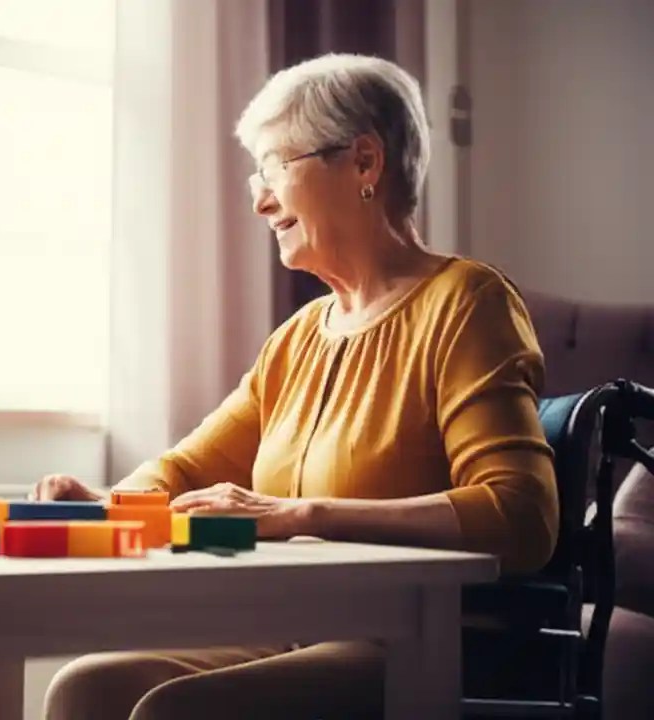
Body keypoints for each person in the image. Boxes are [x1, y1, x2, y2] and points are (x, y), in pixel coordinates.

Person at [31, 53, 559, 719]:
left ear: (365, 163)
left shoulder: (466, 303)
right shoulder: (299, 337)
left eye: (276, 167)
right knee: (84, 687)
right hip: (289, 630)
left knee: (176, 711)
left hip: (413, 640)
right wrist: (104, 503)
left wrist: (307, 514)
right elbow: (188, 468)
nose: (259, 199)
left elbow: (522, 516)